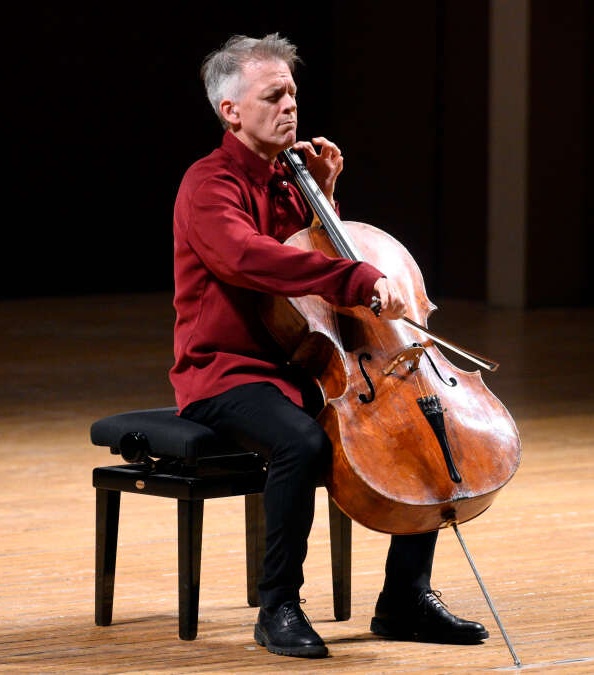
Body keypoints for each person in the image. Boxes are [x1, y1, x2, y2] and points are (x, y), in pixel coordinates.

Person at [170, 33, 488, 659]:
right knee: (302, 442)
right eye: (272, 96)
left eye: (292, 93)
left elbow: (311, 273)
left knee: (421, 425)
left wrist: (325, 197)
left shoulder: (296, 181)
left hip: (307, 365)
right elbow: (252, 260)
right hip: (228, 375)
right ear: (231, 111)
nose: (290, 107)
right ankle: (279, 606)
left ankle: (405, 598)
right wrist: (361, 279)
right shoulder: (207, 185)